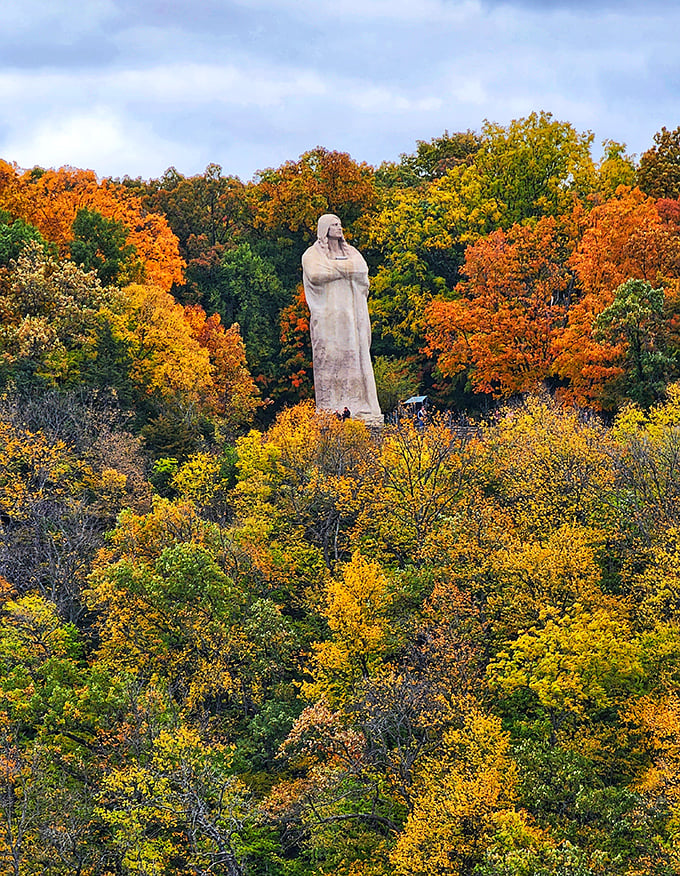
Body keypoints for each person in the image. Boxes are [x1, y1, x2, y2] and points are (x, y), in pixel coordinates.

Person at [301, 214, 383, 426]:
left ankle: (361, 408)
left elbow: (362, 271)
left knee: (354, 358)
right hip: (328, 319)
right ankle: (331, 408)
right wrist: (347, 271)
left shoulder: (352, 252)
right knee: (330, 358)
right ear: (324, 229)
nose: (339, 227)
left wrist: (336, 270)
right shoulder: (311, 254)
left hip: (351, 318)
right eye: (334, 224)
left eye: (340, 223)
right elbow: (316, 274)